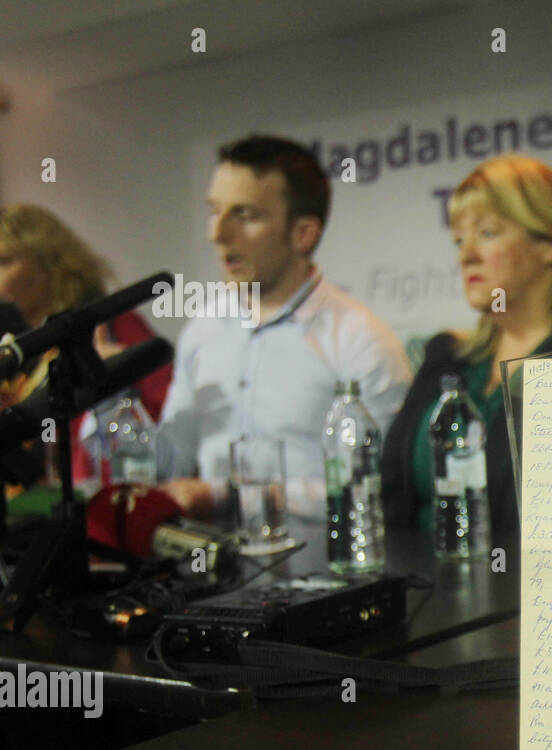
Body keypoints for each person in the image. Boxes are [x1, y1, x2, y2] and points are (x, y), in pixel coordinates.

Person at [382, 154, 552, 547]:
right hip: (420, 592)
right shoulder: (446, 359)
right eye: (459, 239)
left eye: (487, 233)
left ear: (551, 244)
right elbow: (392, 496)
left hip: (526, 599)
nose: (466, 254)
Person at [156, 134, 412, 521]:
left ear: (303, 234)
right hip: (207, 568)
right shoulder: (202, 329)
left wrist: (234, 496)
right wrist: (112, 406)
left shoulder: (361, 341)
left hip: (323, 571)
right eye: (214, 211)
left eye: (245, 216)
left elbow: (373, 489)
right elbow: (168, 469)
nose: (218, 234)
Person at [0, 204, 172, 490]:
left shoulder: (114, 327)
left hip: (104, 506)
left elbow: (160, 437)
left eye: (4, 261)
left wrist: (113, 395)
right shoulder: (22, 350)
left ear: (51, 264)